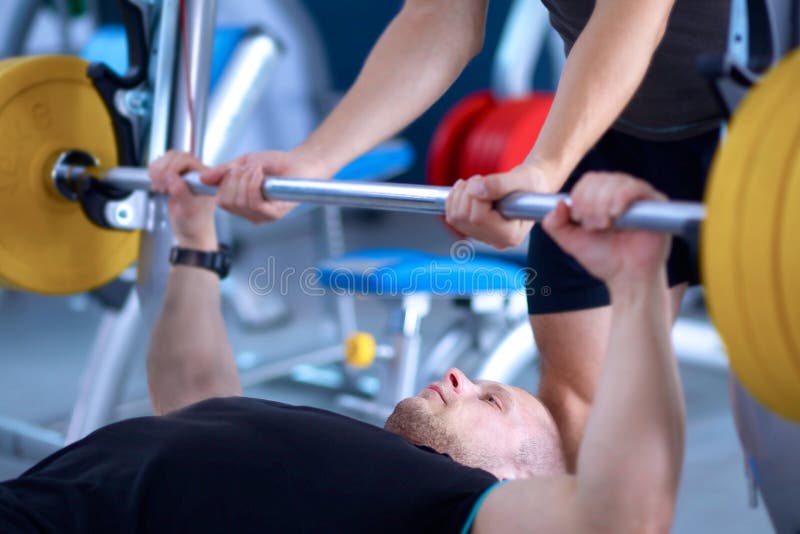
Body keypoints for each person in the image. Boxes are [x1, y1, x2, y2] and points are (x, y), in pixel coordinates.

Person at [0, 152, 684, 533]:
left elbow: (620, 518)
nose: (457, 375)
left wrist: (638, 280)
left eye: (492, 401)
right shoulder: (354, 481)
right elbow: (194, 398)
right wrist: (195, 240)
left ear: (520, 487)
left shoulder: (440, 510)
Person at [198, 0, 729, 469]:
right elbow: (439, 17)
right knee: (578, 423)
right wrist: (314, 160)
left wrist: (545, 166)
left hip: (765, 122)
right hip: (621, 137)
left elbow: (637, 9)